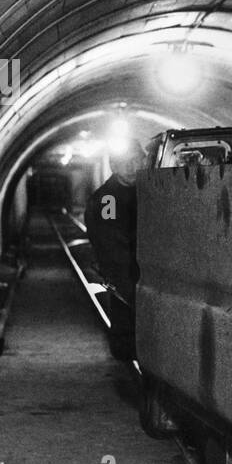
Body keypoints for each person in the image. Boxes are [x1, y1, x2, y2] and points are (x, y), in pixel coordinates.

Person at [84, 139, 145, 361]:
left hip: (144, 278)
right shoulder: (107, 199)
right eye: (124, 162)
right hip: (126, 281)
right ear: (114, 165)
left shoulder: (151, 191)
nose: (131, 167)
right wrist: (132, 290)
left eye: (136, 161)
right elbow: (111, 243)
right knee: (127, 341)